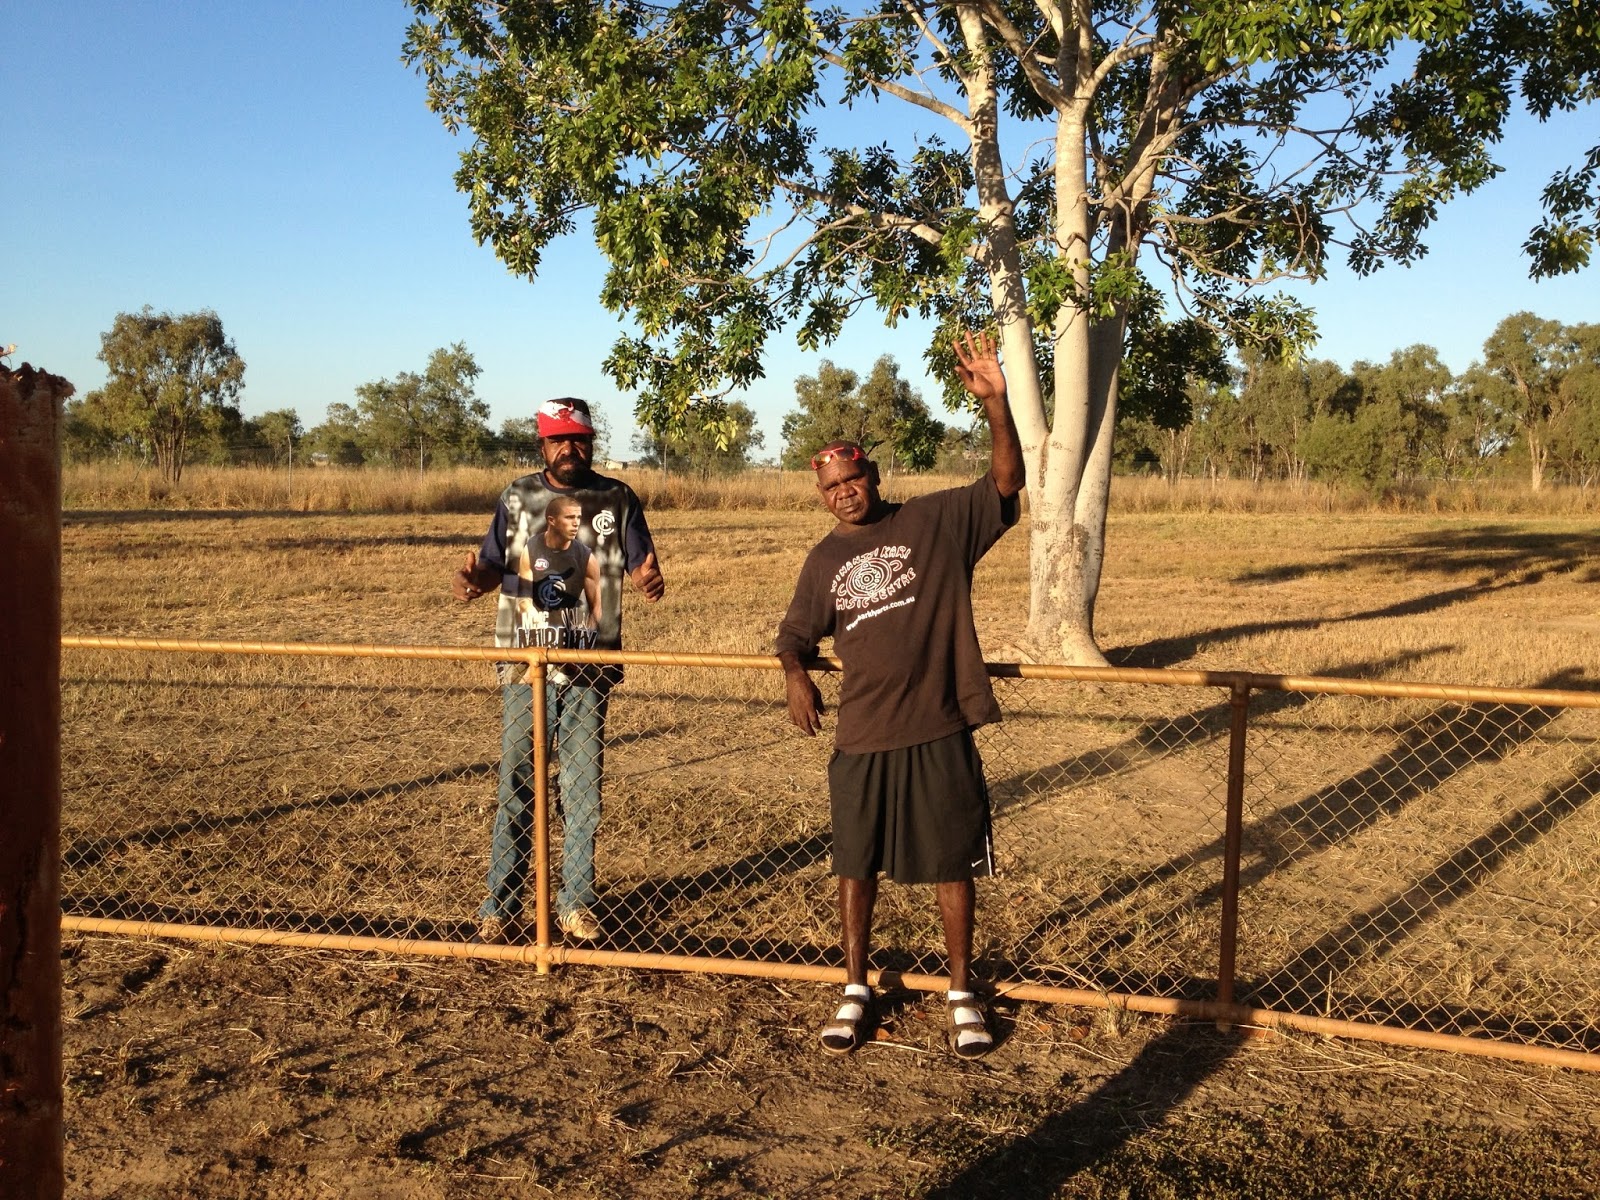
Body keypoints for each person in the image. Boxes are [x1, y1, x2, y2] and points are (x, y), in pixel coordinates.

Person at [775, 330, 1024, 1059]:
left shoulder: (934, 522)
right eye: (830, 489)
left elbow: (1006, 482)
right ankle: (856, 987)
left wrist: (997, 404)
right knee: (854, 865)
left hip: (938, 723)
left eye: (852, 480)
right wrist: (794, 673)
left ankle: (961, 993)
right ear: (821, 498)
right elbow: (793, 634)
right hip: (863, 734)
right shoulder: (824, 560)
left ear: (873, 476)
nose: (843, 494)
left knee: (952, 863)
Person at [454, 397, 665, 944]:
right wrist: (473, 582)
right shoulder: (517, 496)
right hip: (526, 665)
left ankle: (575, 904)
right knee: (518, 784)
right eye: (558, 439)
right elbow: (492, 563)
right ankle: (500, 907)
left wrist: (648, 577)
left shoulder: (617, 497)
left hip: (590, 666)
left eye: (579, 439)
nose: (569, 448)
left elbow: (641, 562)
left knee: (582, 790)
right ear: (542, 444)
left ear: (591, 442)